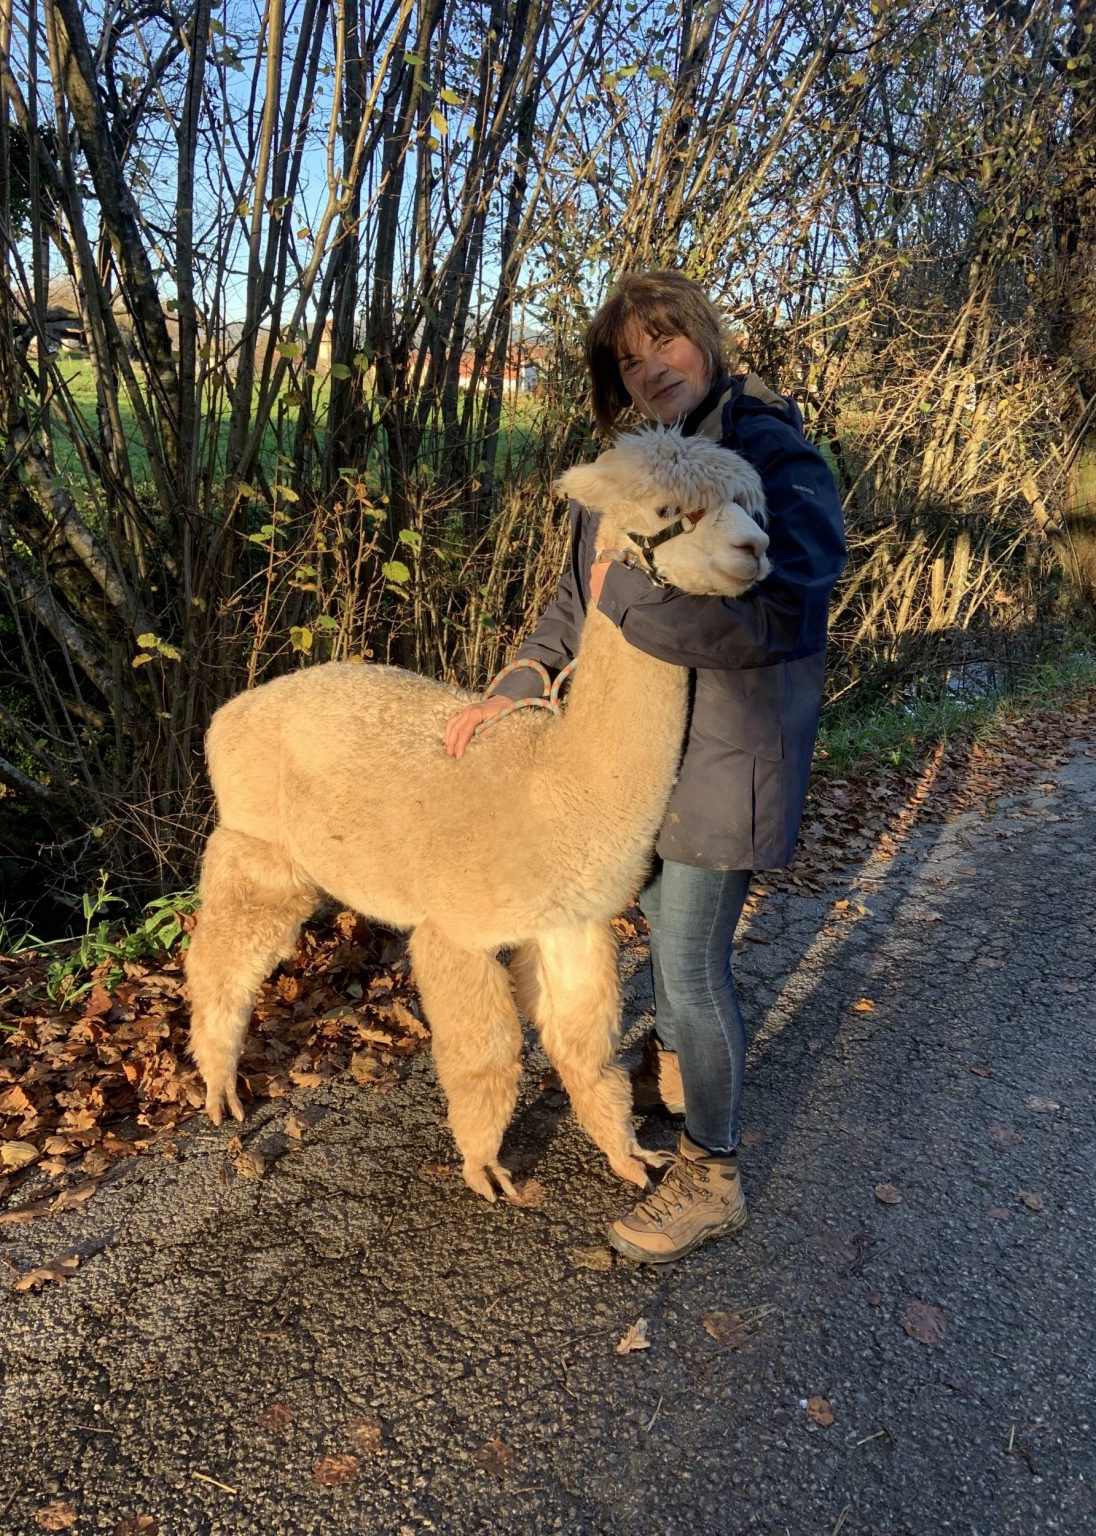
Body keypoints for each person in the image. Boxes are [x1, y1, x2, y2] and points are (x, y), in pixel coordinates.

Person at [444, 270, 847, 1263]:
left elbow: (788, 608)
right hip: (631, 755)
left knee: (692, 965)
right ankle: (676, 1080)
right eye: (629, 360)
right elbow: (576, 603)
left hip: (727, 753)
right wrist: (518, 679)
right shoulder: (632, 468)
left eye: (664, 341)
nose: (651, 368)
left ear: (702, 337)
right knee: (662, 947)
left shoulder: (770, 452)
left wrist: (626, 601)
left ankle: (713, 1174)